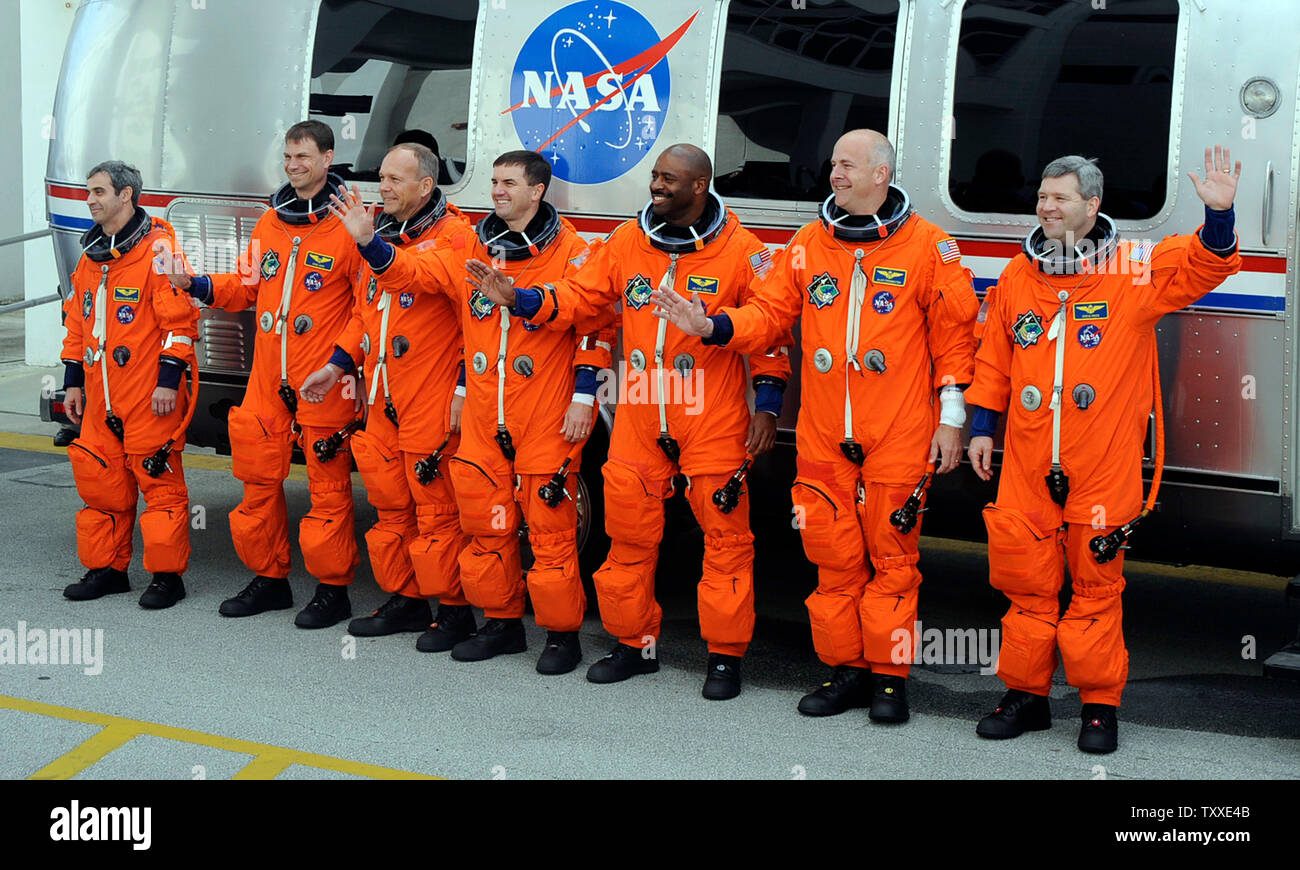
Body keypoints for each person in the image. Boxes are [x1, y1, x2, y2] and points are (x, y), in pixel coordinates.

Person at [652, 130, 978, 722]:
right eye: (833, 164)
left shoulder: (930, 247)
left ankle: (888, 681)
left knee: (893, 559)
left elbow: (955, 338)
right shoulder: (807, 244)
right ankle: (845, 670)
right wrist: (715, 328)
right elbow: (771, 316)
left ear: (881, 174)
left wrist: (952, 418)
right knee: (832, 555)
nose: (835, 174)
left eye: (848, 166)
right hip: (826, 431)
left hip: (900, 428)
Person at [466, 143, 791, 700]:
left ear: (700, 186)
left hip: (707, 410)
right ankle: (634, 644)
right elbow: (582, 300)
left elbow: (770, 325)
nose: (656, 185)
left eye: (669, 179)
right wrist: (521, 298)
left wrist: (756, 389)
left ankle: (724, 658)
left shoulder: (744, 251)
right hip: (642, 404)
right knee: (629, 538)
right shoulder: (626, 242)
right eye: (655, 176)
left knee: (726, 541)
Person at [965, 147, 1243, 753]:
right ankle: (1026, 697)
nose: (1046, 205)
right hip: (1030, 460)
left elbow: (1204, 266)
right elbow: (994, 359)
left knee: (1095, 587)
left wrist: (1218, 216)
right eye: (1042, 196)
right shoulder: (1019, 276)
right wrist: (982, 427)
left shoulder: (1134, 270)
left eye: (1059, 197)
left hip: (1102, 463)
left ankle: (1098, 707)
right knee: (1026, 583)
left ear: (1092, 205)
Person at [328, 149, 612, 673]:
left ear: (537, 191)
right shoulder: (473, 246)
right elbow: (416, 278)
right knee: (486, 525)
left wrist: (583, 395)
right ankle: (502, 625)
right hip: (485, 411)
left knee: (549, 531)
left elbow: (590, 318)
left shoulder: (573, 251)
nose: (498, 191)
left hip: (545, 411)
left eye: (509, 183)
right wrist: (370, 242)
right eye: (494, 182)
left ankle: (561, 636)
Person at [159, 121, 363, 628]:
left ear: (328, 158)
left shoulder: (351, 224)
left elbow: (367, 311)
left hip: (324, 379)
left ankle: (332, 591)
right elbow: (247, 287)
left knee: (329, 490)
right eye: (288, 157)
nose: (294, 166)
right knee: (256, 482)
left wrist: (338, 364)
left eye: (304, 157)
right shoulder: (272, 221)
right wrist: (196, 282)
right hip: (270, 377)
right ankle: (269, 580)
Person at [297, 142, 476, 650]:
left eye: (396, 180)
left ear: (426, 187)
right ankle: (407, 599)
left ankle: (456, 611)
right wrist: (334, 367)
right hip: (382, 399)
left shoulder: (455, 237)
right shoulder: (384, 232)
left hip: (431, 398)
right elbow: (364, 314)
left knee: (438, 511)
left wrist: (369, 243)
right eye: (382, 177)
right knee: (392, 508)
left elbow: (411, 273)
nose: (384, 187)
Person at [60, 160, 198, 609]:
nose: (90, 200)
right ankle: (109, 570)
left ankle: (165, 578)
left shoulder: (159, 250)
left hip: (147, 395)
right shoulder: (91, 257)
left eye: (99, 192)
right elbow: (77, 326)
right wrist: (73, 384)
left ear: (126, 195)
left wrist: (168, 382)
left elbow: (180, 324)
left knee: (159, 487)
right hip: (101, 397)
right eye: (89, 192)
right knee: (102, 485)